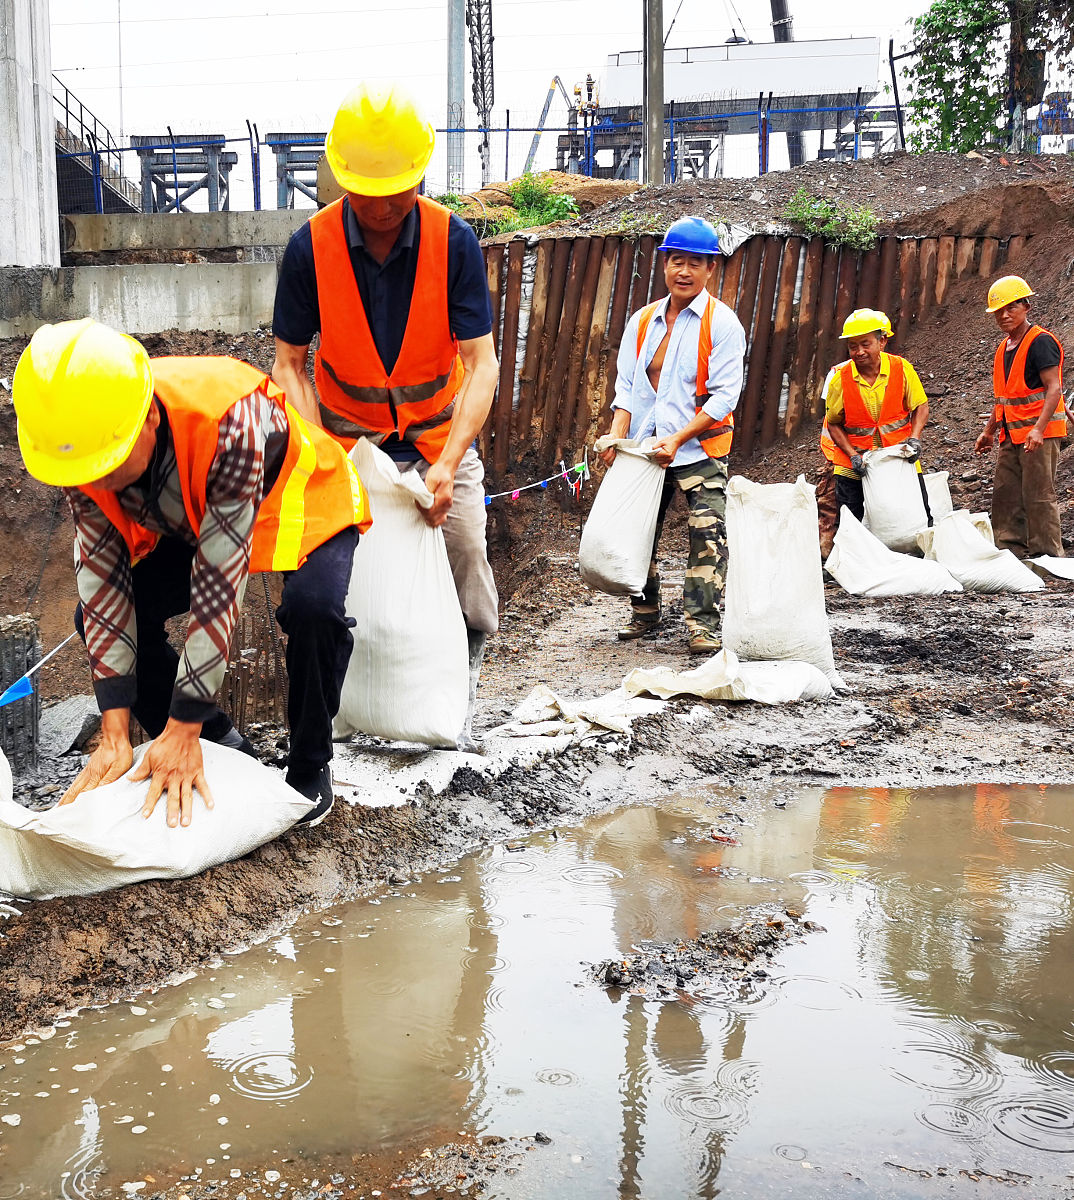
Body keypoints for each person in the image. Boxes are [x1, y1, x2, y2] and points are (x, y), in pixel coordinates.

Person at [12, 319, 371, 828]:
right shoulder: (79, 445)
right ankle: (218, 743)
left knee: (314, 611)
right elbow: (101, 574)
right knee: (105, 616)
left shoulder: (229, 420)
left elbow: (218, 584)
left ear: (148, 422)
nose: (97, 485)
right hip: (195, 510)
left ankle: (310, 764)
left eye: (109, 469)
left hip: (297, 493)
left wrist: (183, 720)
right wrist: (114, 728)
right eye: (86, 476)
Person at [271, 82, 499, 751]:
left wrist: (449, 466)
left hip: (435, 439)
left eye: (395, 192)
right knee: (328, 580)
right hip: (346, 444)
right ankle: (337, 713)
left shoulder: (452, 242)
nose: (379, 207)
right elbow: (288, 363)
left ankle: (466, 664)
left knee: (465, 550)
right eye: (364, 194)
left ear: (420, 176)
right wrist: (320, 454)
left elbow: (481, 365)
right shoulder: (307, 250)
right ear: (342, 180)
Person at [600, 215, 746, 655]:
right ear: (664, 264)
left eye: (694, 263)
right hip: (647, 447)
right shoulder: (643, 322)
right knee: (638, 530)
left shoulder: (723, 325)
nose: (684, 271)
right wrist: (616, 436)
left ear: (711, 269)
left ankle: (702, 625)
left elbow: (724, 398)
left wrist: (679, 439)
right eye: (676, 260)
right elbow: (627, 387)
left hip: (700, 449)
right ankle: (645, 613)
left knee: (707, 532)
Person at [974, 275, 1065, 558]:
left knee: (1038, 496)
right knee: (1006, 495)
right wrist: (989, 430)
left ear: (1026, 306)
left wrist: (1037, 430)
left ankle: (1048, 556)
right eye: (998, 311)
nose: (1004, 315)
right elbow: (1004, 398)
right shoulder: (1003, 348)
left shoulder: (1040, 342)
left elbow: (1054, 388)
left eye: (1011, 308)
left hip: (1041, 434)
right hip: (1011, 435)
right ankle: (1010, 550)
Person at [819, 308, 931, 526]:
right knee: (851, 526)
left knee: (919, 518)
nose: (859, 351)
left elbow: (921, 406)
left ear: (882, 342)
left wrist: (915, 438)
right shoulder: (839, 380)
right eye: (853, 346)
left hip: (898, 458)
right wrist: (852, 455)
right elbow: (833, 425)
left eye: (865, 344)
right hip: (854, 464)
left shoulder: (901, 369)